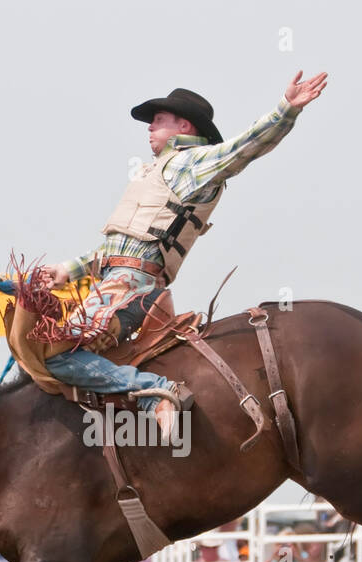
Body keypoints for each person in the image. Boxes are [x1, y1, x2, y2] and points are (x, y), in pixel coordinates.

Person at [42, 73, 327, 439]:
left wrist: (285, 110)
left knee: (56, 355)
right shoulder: (156, 172)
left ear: (184, 125)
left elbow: (243, 148)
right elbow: (116, 246)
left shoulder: (189, 163)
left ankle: (153, 392)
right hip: (117, 281)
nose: (149, 127)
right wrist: (69, 268)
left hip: (130, 289)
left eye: (158, 119)